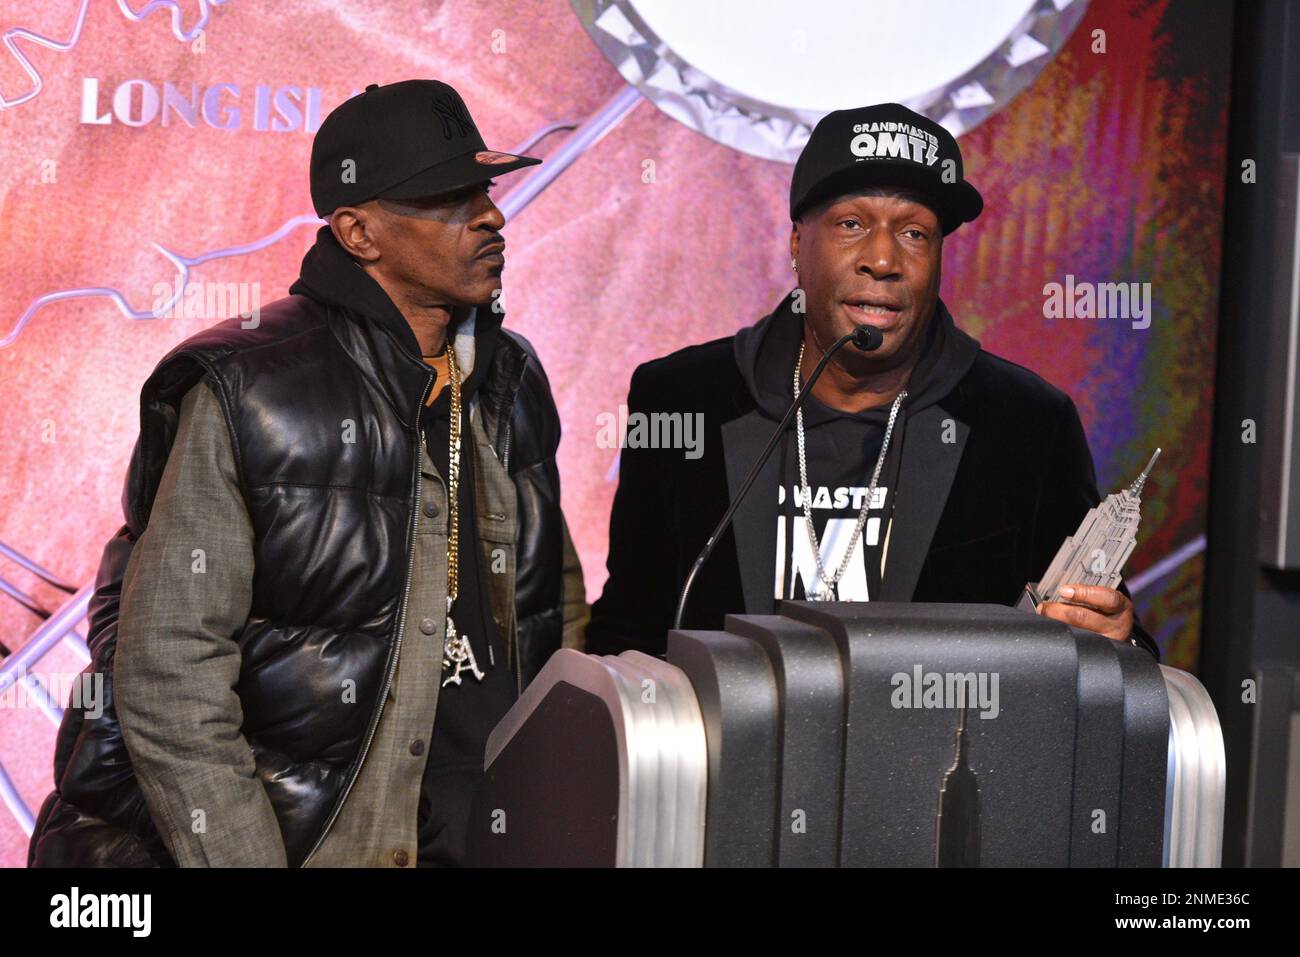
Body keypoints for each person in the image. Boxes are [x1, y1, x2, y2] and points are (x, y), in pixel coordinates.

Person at [29, 79, 585, 868]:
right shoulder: (251, 387)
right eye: (449, 198)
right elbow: (169, 673)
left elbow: (550, 604)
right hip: (321, 842)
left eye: (486, 190)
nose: (490, 215)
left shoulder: (512, 377)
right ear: (359, 232)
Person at [587, 102, 1158, 660]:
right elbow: (628, 630)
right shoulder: (683, 399)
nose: (882, 259)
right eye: (852, 224)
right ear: (796, 245)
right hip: (725, 752)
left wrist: (1118, 643)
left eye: (914, 233)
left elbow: (1105, 636)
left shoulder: (1026, 423)